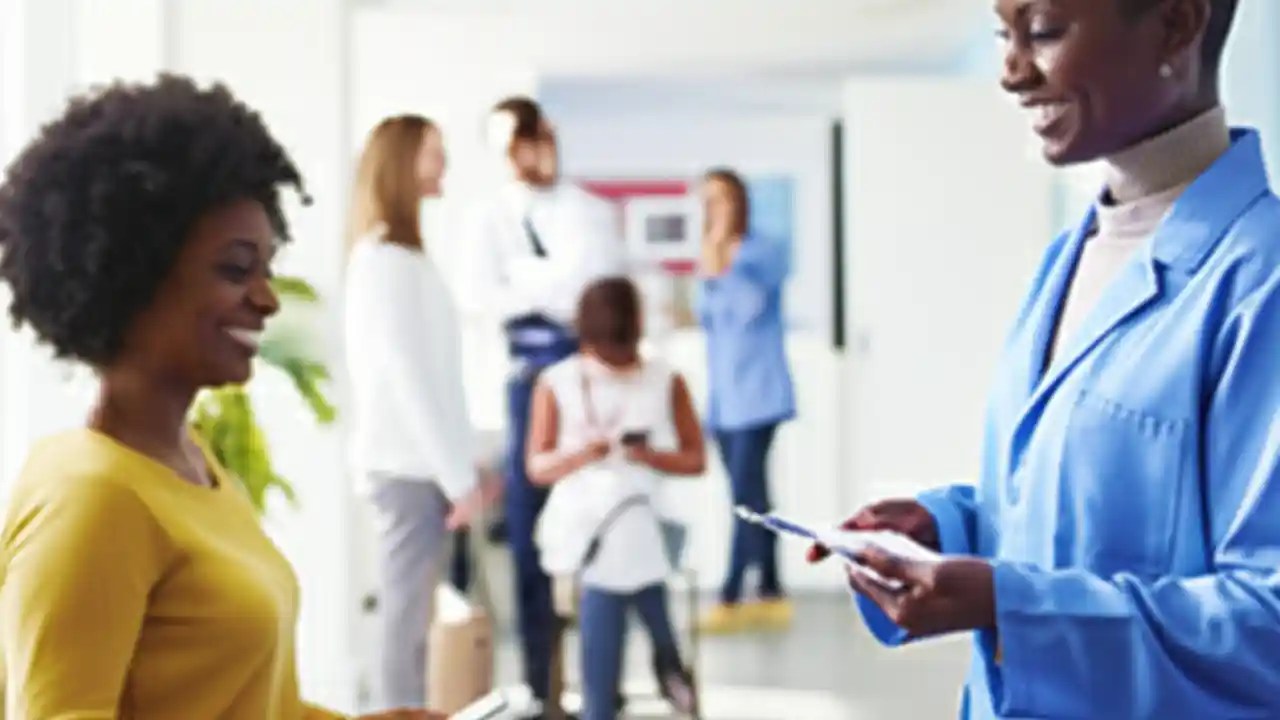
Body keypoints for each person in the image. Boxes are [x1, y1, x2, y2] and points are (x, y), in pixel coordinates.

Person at [810, 1, 1280, 717]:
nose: (1011, 72)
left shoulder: (1262, 281)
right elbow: (1089, 506)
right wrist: (951, 526)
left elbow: (1265, 624)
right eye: (1004, 35)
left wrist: (1011, 605)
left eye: (1045, 33)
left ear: (1178, 25)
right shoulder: (1073, 256)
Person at [0, 75, 439, 719]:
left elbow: (248, 705)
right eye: (236, 270)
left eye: (266, 269)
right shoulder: (93, 498)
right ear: (134, 273)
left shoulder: (192, 464)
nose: (266, 300)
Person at [461, 95, 627, 715]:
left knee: (600, 531)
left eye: (521, 143)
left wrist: (529, 283)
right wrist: (548, 286)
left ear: (543, 137)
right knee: (530, 540)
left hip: (588, 384)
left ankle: (597, 683)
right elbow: (484, 298)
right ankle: (540, 686)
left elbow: (594, 291)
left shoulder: (587, 213)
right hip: (526, 386)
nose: (514, 159)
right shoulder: (489, 217)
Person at [344, 114, 495, 711]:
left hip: (420, 465)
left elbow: (435, 378)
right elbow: (404, 376)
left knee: (415, 615)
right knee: (405, 617)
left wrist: (462, 465)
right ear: (403, 164)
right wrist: (455, 475)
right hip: (403, 467)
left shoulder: (405, 258)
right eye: (434, 152)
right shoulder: (382, 259)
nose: (445, 165)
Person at [526, 277, 701, 720]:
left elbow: (696, 460)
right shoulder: (558, 382)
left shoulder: (665, 378)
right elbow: (537, 467)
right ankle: (668, 660)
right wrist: (584, 454)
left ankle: (602, 705)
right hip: (584, 532)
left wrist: (647, 457)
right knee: (624, 554)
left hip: (643, 520)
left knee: (630, 539)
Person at [694, 168, 797, 634]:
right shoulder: (708, 260)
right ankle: (771, 590)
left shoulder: (760, 252)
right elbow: (709, 325)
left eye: (722, 198)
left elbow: (750, 306)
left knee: (745, 498)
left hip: (758, 397)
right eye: (707, 200)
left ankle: (733, 594)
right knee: (752, 497)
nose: (715, 208)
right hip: (725, 401)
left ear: (739, 202)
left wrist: (724, 261)